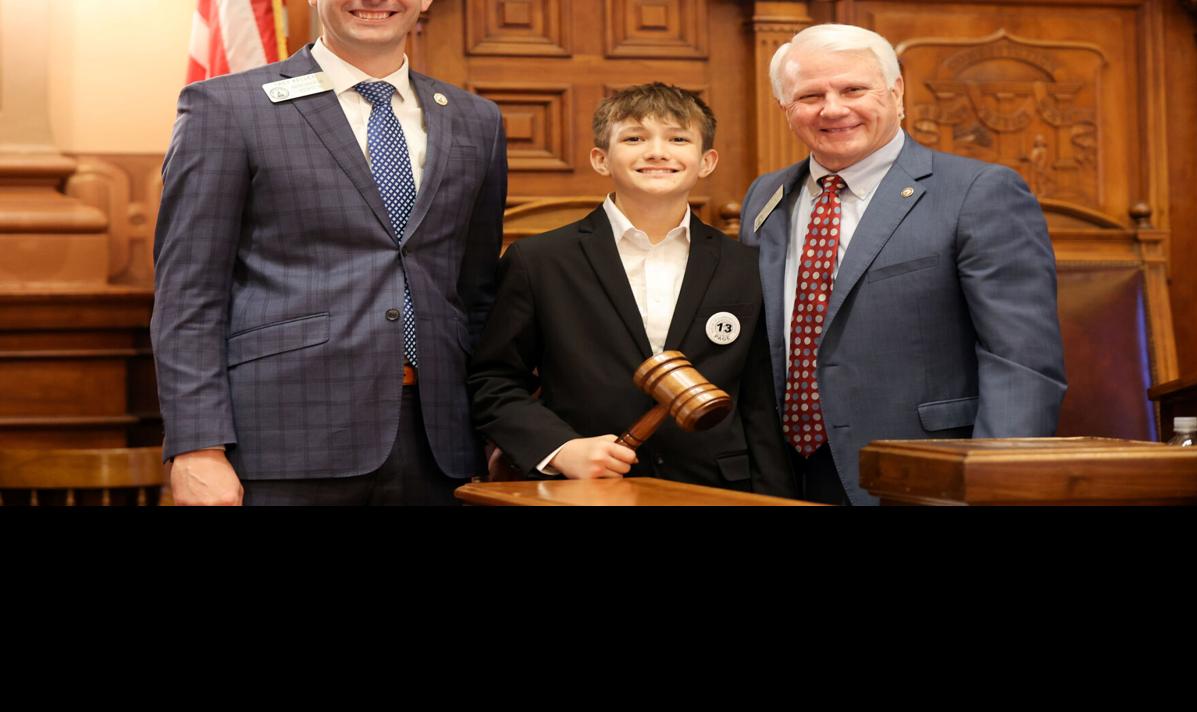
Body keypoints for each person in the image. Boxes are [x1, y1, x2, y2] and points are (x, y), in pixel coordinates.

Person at [152, 0, 507, 505]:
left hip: (441, 443)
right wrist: (196, 446)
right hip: (282, 440)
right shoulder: (227, 107)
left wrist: (498, 428)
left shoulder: (478, 121)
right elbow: (188, 295)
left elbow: (476, 297)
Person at [740, 23, 1067, 505]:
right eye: (810, 96)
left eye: (853, 88)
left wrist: (995, 485)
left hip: (922, 474)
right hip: (784, 477)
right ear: (785, 110)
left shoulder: (978, 192)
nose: (833, 108)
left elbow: (1021, 363)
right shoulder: (765, 196)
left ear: (896, 93)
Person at [467, 83, 793, 497]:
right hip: (584, 489)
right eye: (634, 138)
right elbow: (494, 380)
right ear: (601, 159)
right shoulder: (540, 261)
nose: (657, 152)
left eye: (678, 138)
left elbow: (761, 401)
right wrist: (560, 448)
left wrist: (774, 496)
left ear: (706, 161)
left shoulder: (745, 265)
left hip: (716, 488)